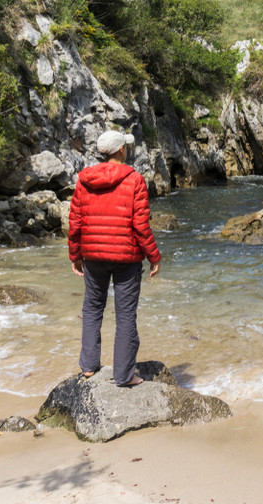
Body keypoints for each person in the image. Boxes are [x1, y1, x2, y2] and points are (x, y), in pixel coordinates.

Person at [67, 130, 161, 387]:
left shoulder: (85, 180)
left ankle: (88, 367)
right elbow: (141, 225)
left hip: (93, 255)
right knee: (126, 316)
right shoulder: (135, 180)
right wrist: (154, 256)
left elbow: (75, 221)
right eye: (125, 148)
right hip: (127, 257)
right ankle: (123, 375)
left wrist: (75, 255)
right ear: (121, 151)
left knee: (92, 308)